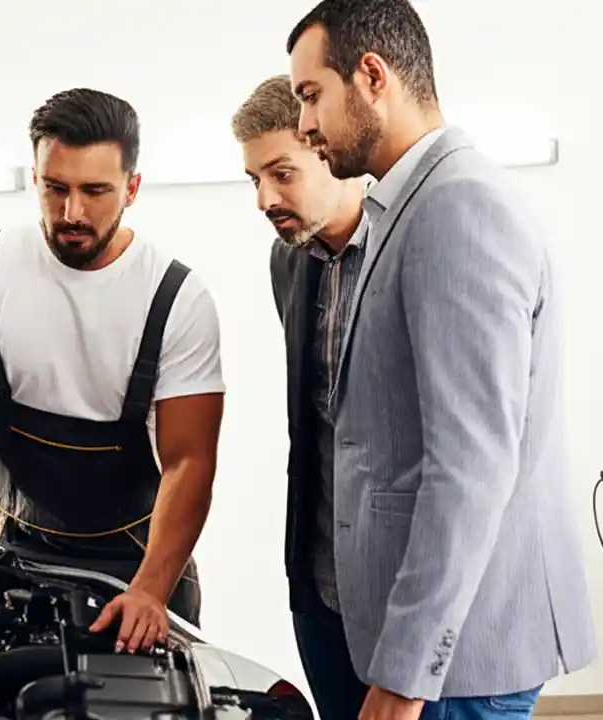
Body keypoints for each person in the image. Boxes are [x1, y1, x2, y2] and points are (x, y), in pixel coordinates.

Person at [284, 1, 598, 719]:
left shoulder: (458, 209)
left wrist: (403, 676)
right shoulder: (405, 208)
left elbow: (472, 465)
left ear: (371, 76)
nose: (304, 125)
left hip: (457, 662)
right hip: (420, 641)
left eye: (311, 96)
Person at [0, 87, 226, 653]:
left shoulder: (176, 299)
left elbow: (190, 460)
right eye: (55, 188)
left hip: (138, 562)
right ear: (34, 177)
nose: (71, 213)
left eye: (94, 191)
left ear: (132, 187)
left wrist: (152, 590)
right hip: (10, 541)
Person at [230, 75, 371, 720]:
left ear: (327, 147)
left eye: (281, 173)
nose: (265, 197)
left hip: (403, 589)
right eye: (255, 179)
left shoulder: (410, 248)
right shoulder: (287, 261)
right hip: (319, 587)